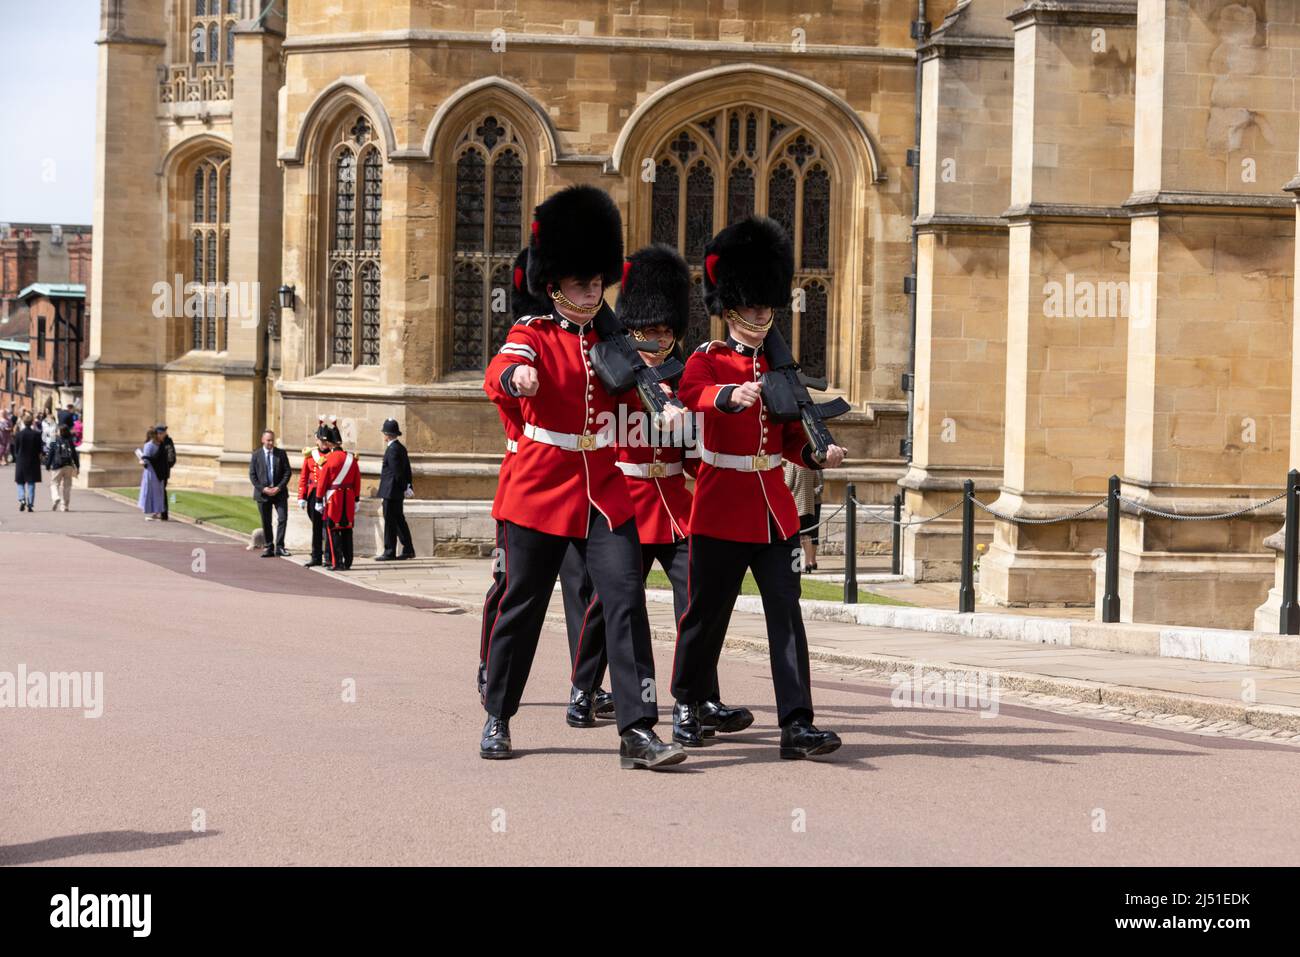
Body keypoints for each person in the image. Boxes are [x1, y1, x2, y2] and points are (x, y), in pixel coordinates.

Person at [481, 184, 684, 769]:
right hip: (543, 486)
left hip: (604, 490)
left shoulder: (612, 339)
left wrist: (664, 405)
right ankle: (498, 714)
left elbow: (640, 382)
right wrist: (517, 379)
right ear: (555, 285)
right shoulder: (536, 331)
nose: (593, 292)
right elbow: (505, 364)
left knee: (625, 601)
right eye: (581, 283)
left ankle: (637, 730)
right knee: (524, 603)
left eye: (598, 283)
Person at [670, 215, 847, 759]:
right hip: (721, 507)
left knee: (786, 615)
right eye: (751, 307)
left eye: (767, 307)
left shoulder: (782, 369)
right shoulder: (707, 359)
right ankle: (687, 702)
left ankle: (796, 723)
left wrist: (818, 454)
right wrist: (727, 397)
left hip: (775, 512)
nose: (761, 316)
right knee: (707, 614)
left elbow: (791, 437)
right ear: (729, 308)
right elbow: (691, 393)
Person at [564, 243, 750, 743]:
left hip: (674, 505)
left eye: (667, 330)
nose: (661, 338)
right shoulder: (615, 376)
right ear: (632, 330)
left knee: (699, 601)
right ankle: (584, 690)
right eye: (651, 330)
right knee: (610, 605)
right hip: (625, 501)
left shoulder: (683, 375)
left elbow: (693, 452)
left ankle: (698, 697)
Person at [316, 424, 360, 570]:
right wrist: (357, 499)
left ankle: (337, 562)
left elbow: (322, 483)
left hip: (334, 499)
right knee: (347, 529)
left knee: (333, 529)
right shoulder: (351, 459)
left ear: (329, 443)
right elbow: (357, 480)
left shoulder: (329, 459)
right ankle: (348, 561)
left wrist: (318, 500)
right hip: (348, 498)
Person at [374, 419, 415, 561]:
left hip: (391, 492)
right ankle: (408, 548)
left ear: (387, 434)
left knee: (391, 522)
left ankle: (389, 551)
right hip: (396, 491)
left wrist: (405, 486)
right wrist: (408, 486)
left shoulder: (392, 450)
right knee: (399, 521)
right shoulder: (400, 448)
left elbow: (397, 472)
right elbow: (407, 470)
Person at [250, 429, 292, 557]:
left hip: (279, 493)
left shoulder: (281, 454)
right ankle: (269, 546)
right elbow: (253, 475)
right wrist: (263, 489)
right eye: (268, 440)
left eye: (272, 440)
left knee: (282, 518)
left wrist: (278, 488)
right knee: (266, 521)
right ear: (263, 440)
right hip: (263, 494)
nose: (270, 443)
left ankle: (280, 547)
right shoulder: (256, 455)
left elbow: (287, 472)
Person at [297, 419, 333, 567]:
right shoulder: (310, 456)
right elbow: (304, 477)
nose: (323, 443)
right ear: (316, 440)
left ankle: (328, 557)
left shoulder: (333, 455)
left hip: (328, 495)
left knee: (328, 527)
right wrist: (301, 496)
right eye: (321, 440)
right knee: (316, 527)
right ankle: (316, 556)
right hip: (313, 495)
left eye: (326, 441)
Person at [785, 461, 822, 572]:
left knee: (797, 536)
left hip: (797, 505)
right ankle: (807, 564)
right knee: (808, 536)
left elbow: (788, 484)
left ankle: (796, 565)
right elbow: (816, 483)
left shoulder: (792, 463)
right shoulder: (810, 463)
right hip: (809, 506)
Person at [44, 424, 80, 512]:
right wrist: (77, 466)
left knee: (54, 483)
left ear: (59, 432)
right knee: (67, 486)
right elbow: (74, 454)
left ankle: (56, 497)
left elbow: (51, 453)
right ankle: (65, 506)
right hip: (68, 465)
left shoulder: (54, 440)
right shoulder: (70, 440)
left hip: (57, 465)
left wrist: (47, 465)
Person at [12, 413, 42, 512]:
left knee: (20, 482)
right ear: (32, 422)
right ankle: (30, 503)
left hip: (21, 460)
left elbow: (16, 450)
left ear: (24, 423)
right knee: (31, 483)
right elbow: (39, 449)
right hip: (33, 461)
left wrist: (17, 457)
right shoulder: (36, 434)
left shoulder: (19, 434)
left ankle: (22, 499)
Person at [136, 428, 166, 520]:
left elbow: (146, 460)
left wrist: (141, 461)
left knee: (150, 491)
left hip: (151, 472)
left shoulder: (149, 445)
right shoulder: (160, 445)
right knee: (158, 492)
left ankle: (152, 512)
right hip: (159, 472)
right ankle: (158, 512)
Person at [154, 424, 175, 520]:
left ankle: (164, 514)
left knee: (162, 491)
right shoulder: (155, 441)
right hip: (156, 471)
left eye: (162, 433)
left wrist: (166, 467)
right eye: (159, 433)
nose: (161, 434)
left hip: (163, 471)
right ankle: (157, 511)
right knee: (157, 491)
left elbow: (171, 457)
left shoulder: (168, 442)